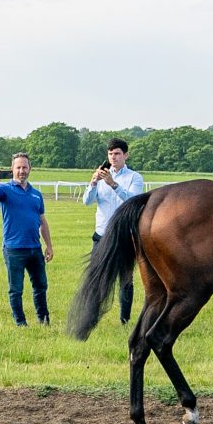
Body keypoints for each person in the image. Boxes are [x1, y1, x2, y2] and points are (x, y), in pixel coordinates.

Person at [0, 152, 54, 326]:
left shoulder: (36, 194)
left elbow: (42, 221)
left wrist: (49, 246)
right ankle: (21, 323)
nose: (22, 171)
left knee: (40, 286)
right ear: (12, 169)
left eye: (25, 167)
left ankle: (43, 320)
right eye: (18, 167)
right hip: (14, 249)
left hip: (35, 248)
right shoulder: (5, 190)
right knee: (16, 289)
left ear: (30, 169)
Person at [82, 137, 144, 324]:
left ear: (125, 155)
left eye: (117, 153)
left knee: (125, 280)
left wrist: (113, 184)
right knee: (96, 278)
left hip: (124, 235)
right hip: (101, 235)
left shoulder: (134, 177)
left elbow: (133, 203)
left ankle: (124, 319)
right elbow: (87, 201)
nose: (113, 157)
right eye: (110, 154)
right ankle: (91, 317)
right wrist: (93, 183)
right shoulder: (100, 177)